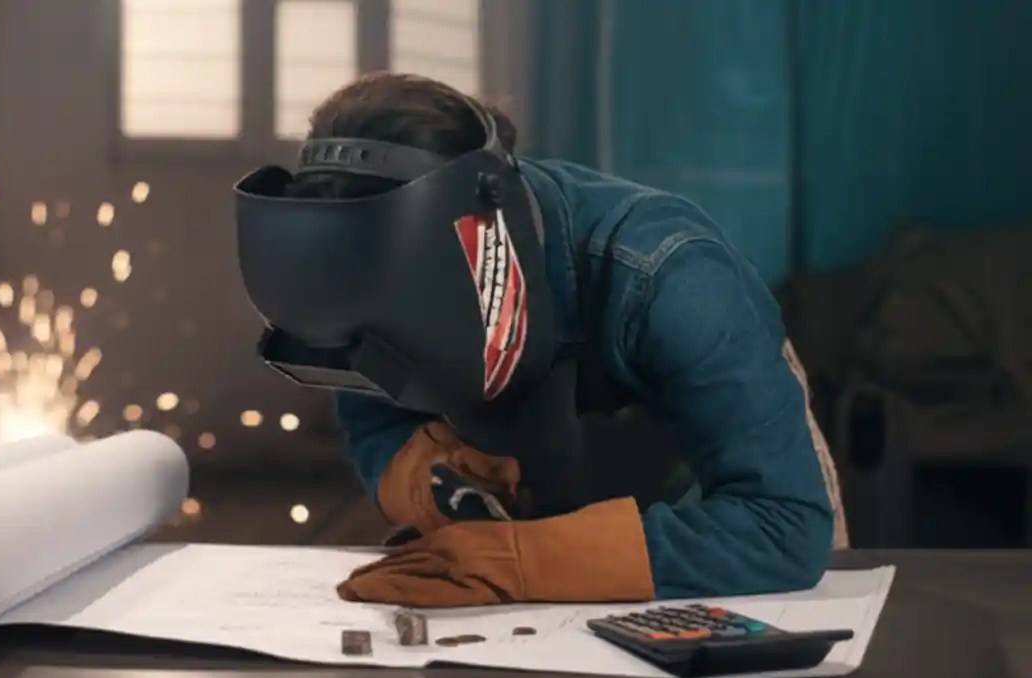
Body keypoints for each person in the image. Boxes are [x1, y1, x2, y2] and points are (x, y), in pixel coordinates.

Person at [234, 73, 847, 607]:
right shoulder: (370, 272)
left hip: (700, 480)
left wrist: (528, 562)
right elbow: (374, 416)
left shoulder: (676, 282)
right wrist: (428, 482)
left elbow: (783, 527)